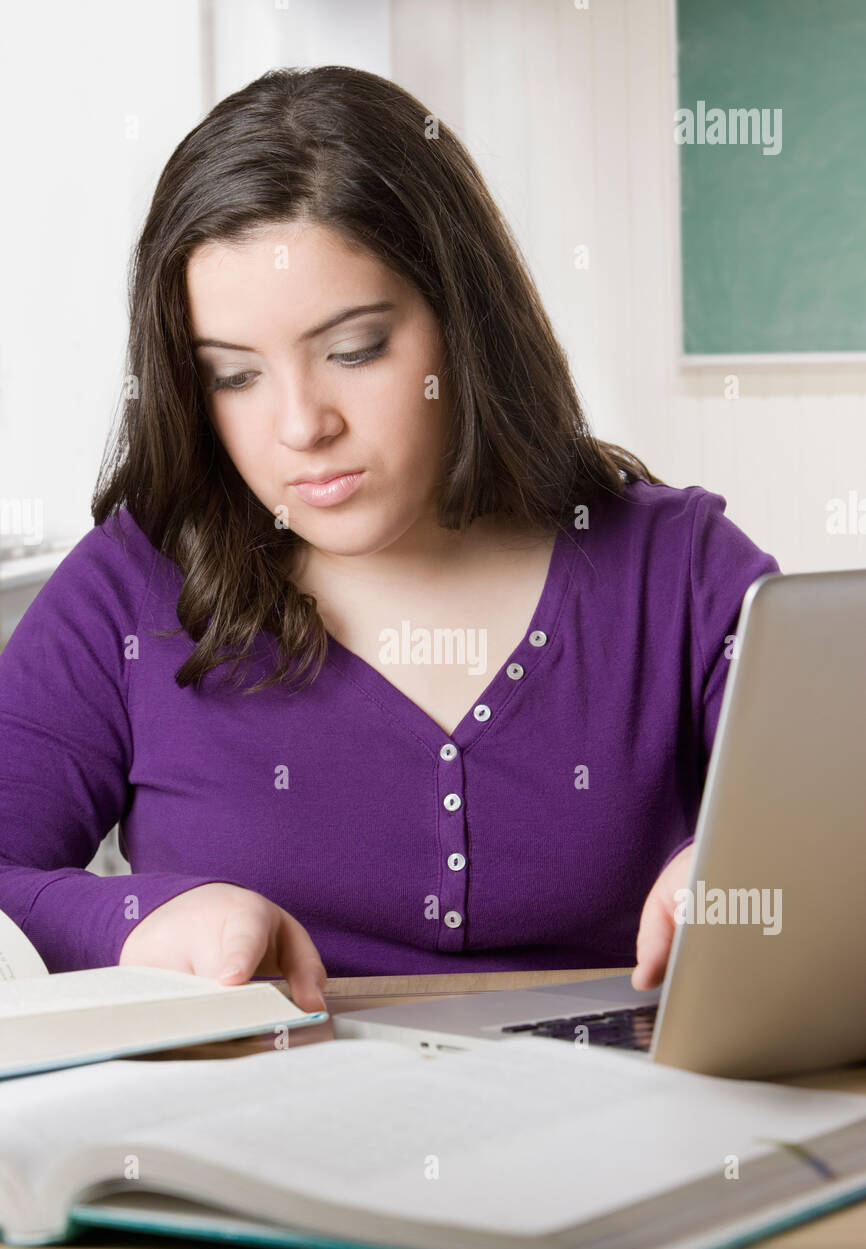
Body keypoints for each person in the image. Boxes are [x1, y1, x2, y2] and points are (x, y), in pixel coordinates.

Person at [0, 67, 778, 1014]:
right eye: (234, 376)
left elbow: (834, 827)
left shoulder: (680, 571)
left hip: (628, 1139)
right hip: (258, 1143)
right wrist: (135, 919)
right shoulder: (131, 585)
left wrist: (758, 876)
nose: (300, 425)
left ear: (463, 325)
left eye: (355, 350)